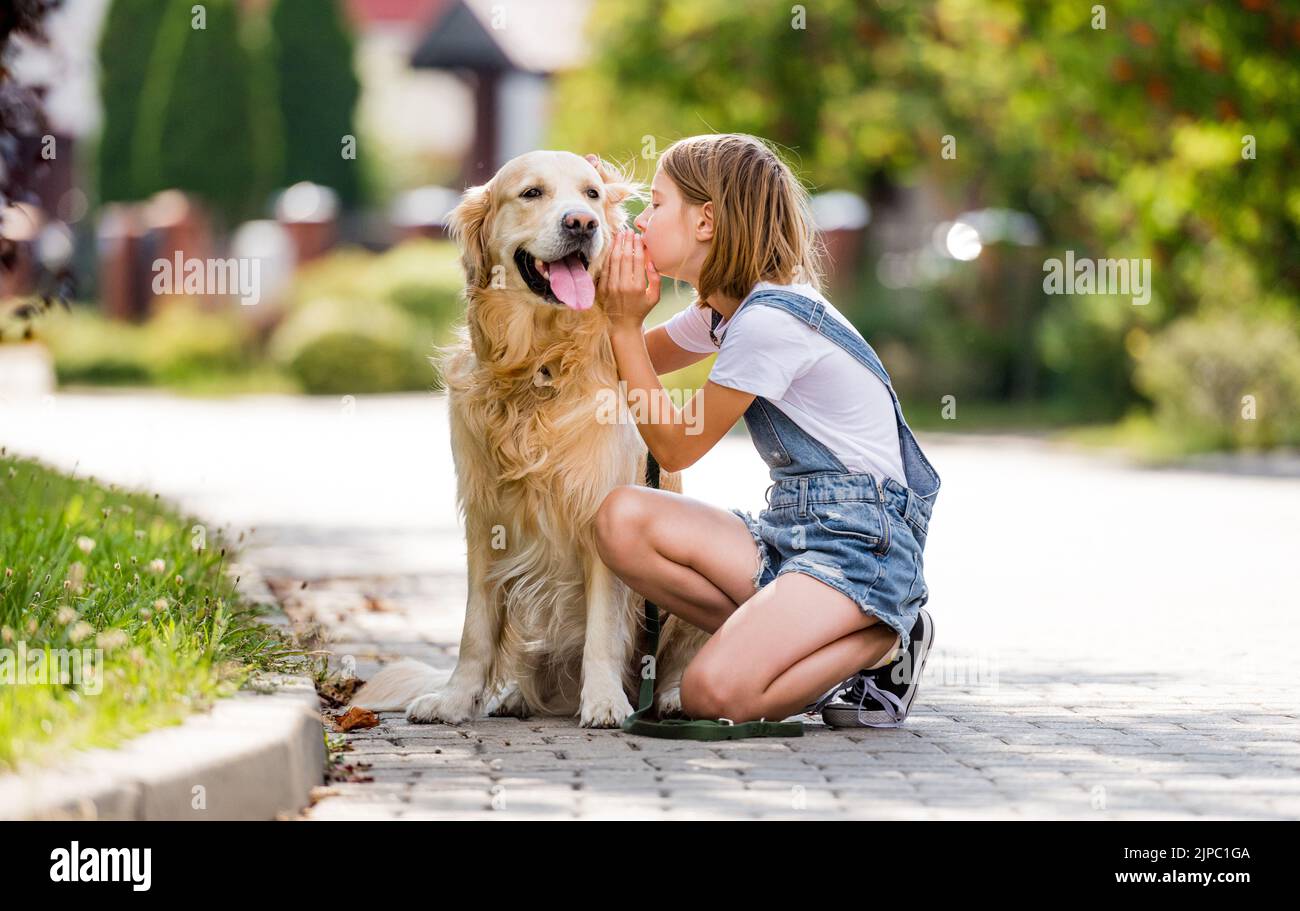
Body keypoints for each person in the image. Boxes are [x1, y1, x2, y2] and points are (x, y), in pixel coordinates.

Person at [594, 133, 940, 729]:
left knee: (714, 695)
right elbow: (609, 360)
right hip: (793, 533)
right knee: (621, 520)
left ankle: (887, 634)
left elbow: (676, 445)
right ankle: (792, 643)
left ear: (706, 220)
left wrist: (626, 326)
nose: (643, 221)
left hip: (861, 546)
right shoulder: (723, 313)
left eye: (654, 204)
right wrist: (597, 217)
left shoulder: (770, 320)